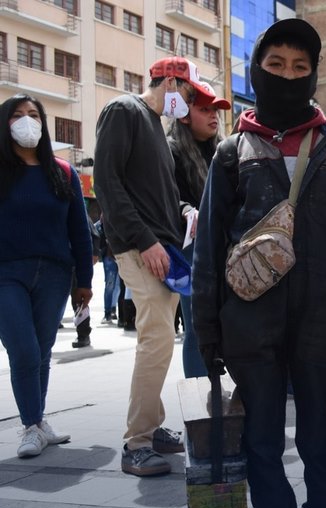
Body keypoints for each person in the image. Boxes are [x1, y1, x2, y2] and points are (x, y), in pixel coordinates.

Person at [191, 18, 326, 508]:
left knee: (320, 433)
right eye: (276, 65)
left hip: (324, 321)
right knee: (262, 437)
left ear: (314, 74)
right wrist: (207, 330)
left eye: (300, 67)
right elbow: (210, 248)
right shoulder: (230, 152)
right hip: (250, 323)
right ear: (256, 70)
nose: (288, 76)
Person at [94, 56, 212, 476]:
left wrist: (183, 210)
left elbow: (155, 192)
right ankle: (137, 442)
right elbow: (107, 183)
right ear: (169, 82)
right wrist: (145, 241)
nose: (190, 101)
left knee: (159, 341)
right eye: (188, 92)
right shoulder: (124, 111)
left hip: (161, 246)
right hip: (141, 248)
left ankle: (153, 425)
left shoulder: (156, 127)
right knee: (156, 341)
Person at [0, 94, 93, 458]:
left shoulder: (62, 172)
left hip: (55, 274)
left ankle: (38, 422)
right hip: (6, 274)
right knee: (23, 349)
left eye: (33, 115)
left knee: (41, 351)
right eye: (18, 115)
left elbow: (79, 231)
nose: (27, 121)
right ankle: (31, 426)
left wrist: (83, 281)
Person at [167, 82, 232, 379]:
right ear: (183, 115)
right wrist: (185, 210)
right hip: (190, 251)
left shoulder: (225, 152)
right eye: (204, 109)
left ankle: (229, 401)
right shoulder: (170, 151)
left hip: (226, 249)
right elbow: (164, 198)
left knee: (230, 323)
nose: (214, 116)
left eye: (215, 109)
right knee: (196, 327)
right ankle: (201, 411)